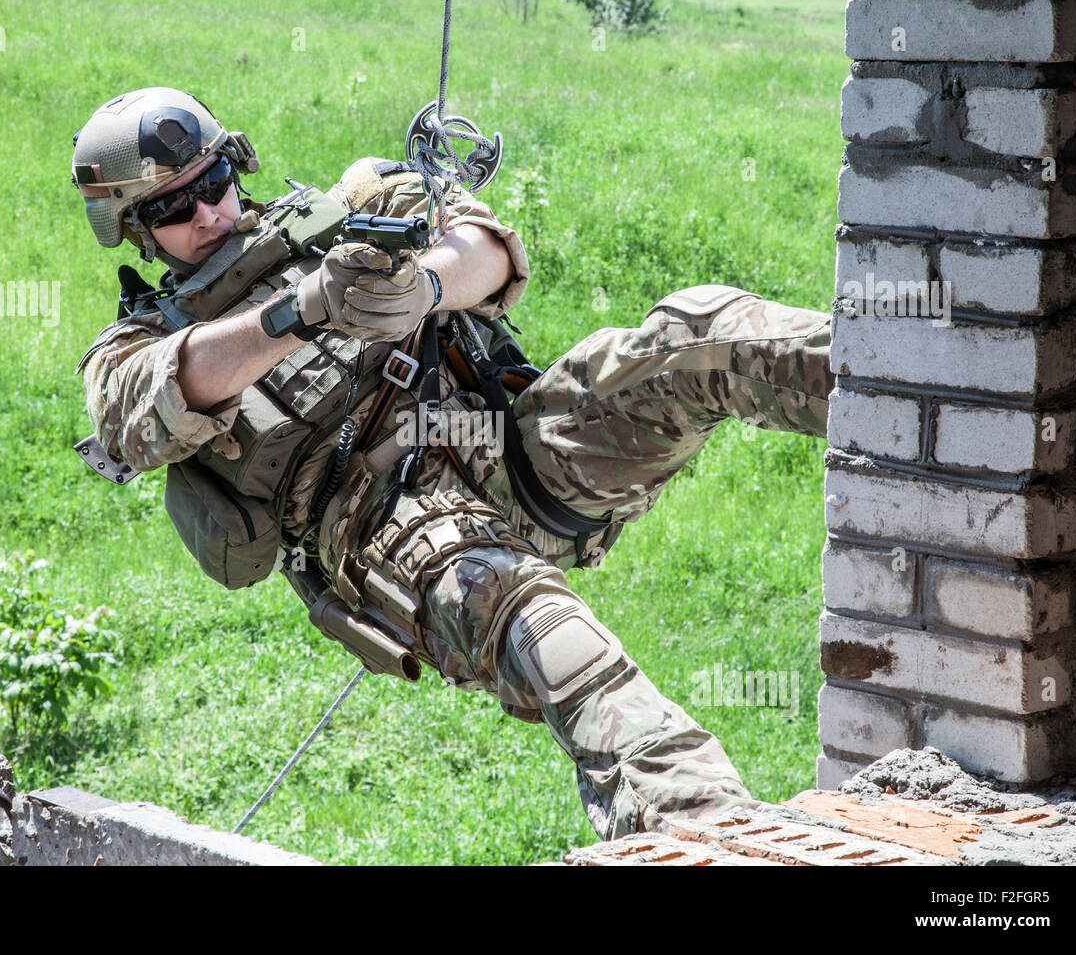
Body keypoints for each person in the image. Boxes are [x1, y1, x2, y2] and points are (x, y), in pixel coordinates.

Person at [71, 87, 835, 841]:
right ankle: (712, 837)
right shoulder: (129, 350)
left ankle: (914, 387)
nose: (207, 212)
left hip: (511, 449)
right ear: (134, 229)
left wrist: (425, 288)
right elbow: (167, 390)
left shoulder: (343, 209)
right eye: (174, 208)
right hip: (391, 527)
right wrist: (300, 309)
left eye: (211, 184)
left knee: (696, 336)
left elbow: (488, 249)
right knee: (552, 636)